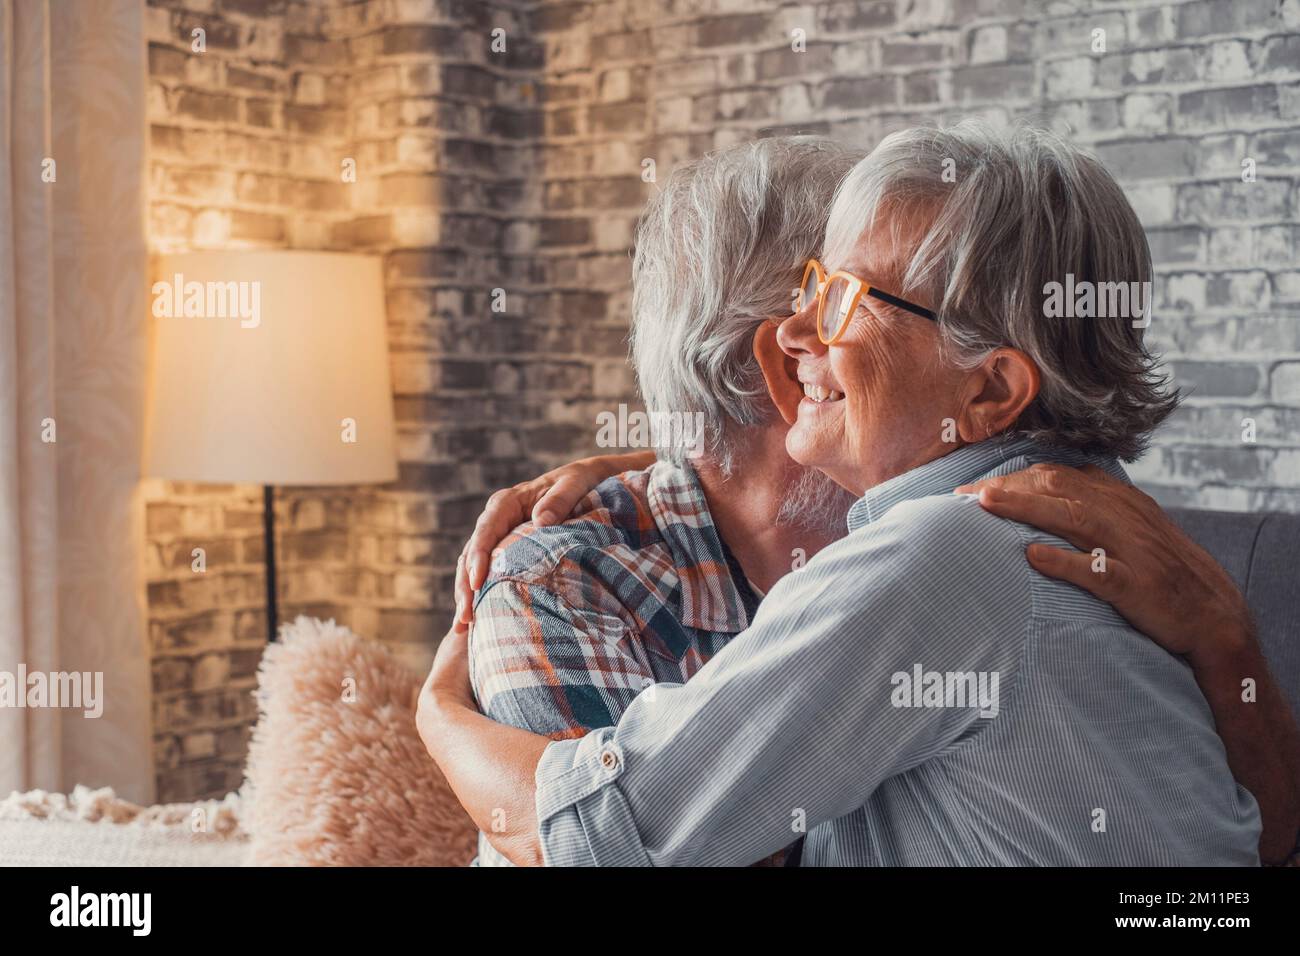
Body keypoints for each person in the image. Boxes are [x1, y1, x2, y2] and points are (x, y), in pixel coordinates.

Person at [425, 123, 1300, 866]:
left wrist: (437, 717)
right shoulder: (1107, 532)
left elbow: (607, 842)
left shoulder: (943, 557)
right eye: (812, 286)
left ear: (991, 392)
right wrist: (657, 461)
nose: (797, 333)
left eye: (845, 299)